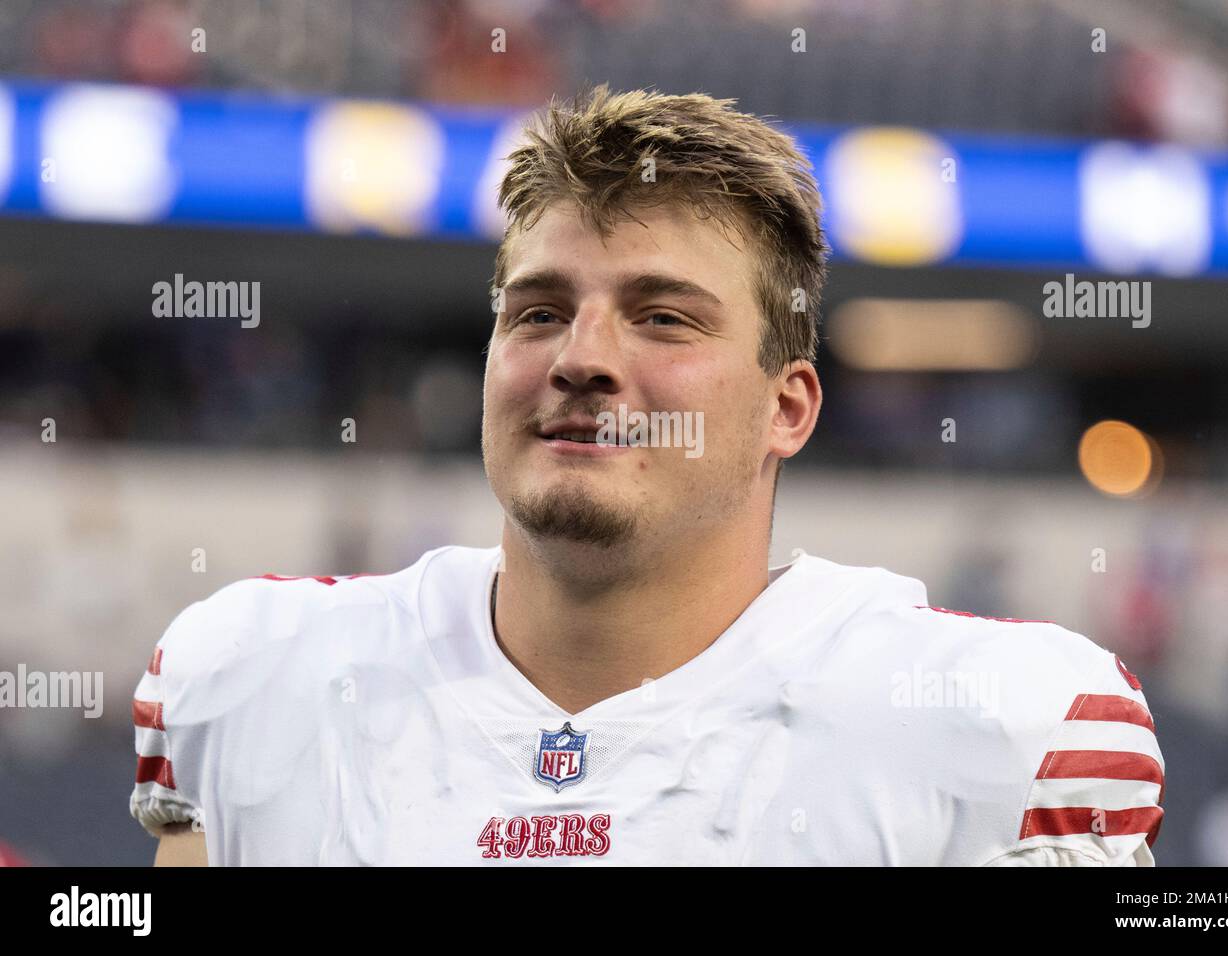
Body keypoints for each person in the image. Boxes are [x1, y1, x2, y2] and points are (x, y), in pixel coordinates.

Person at [131, 85, 1164, 865]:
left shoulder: (1003, 726)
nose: (580, 356)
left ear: (786, 407)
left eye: (662, 315)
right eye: (537, 310)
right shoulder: (252, 678)